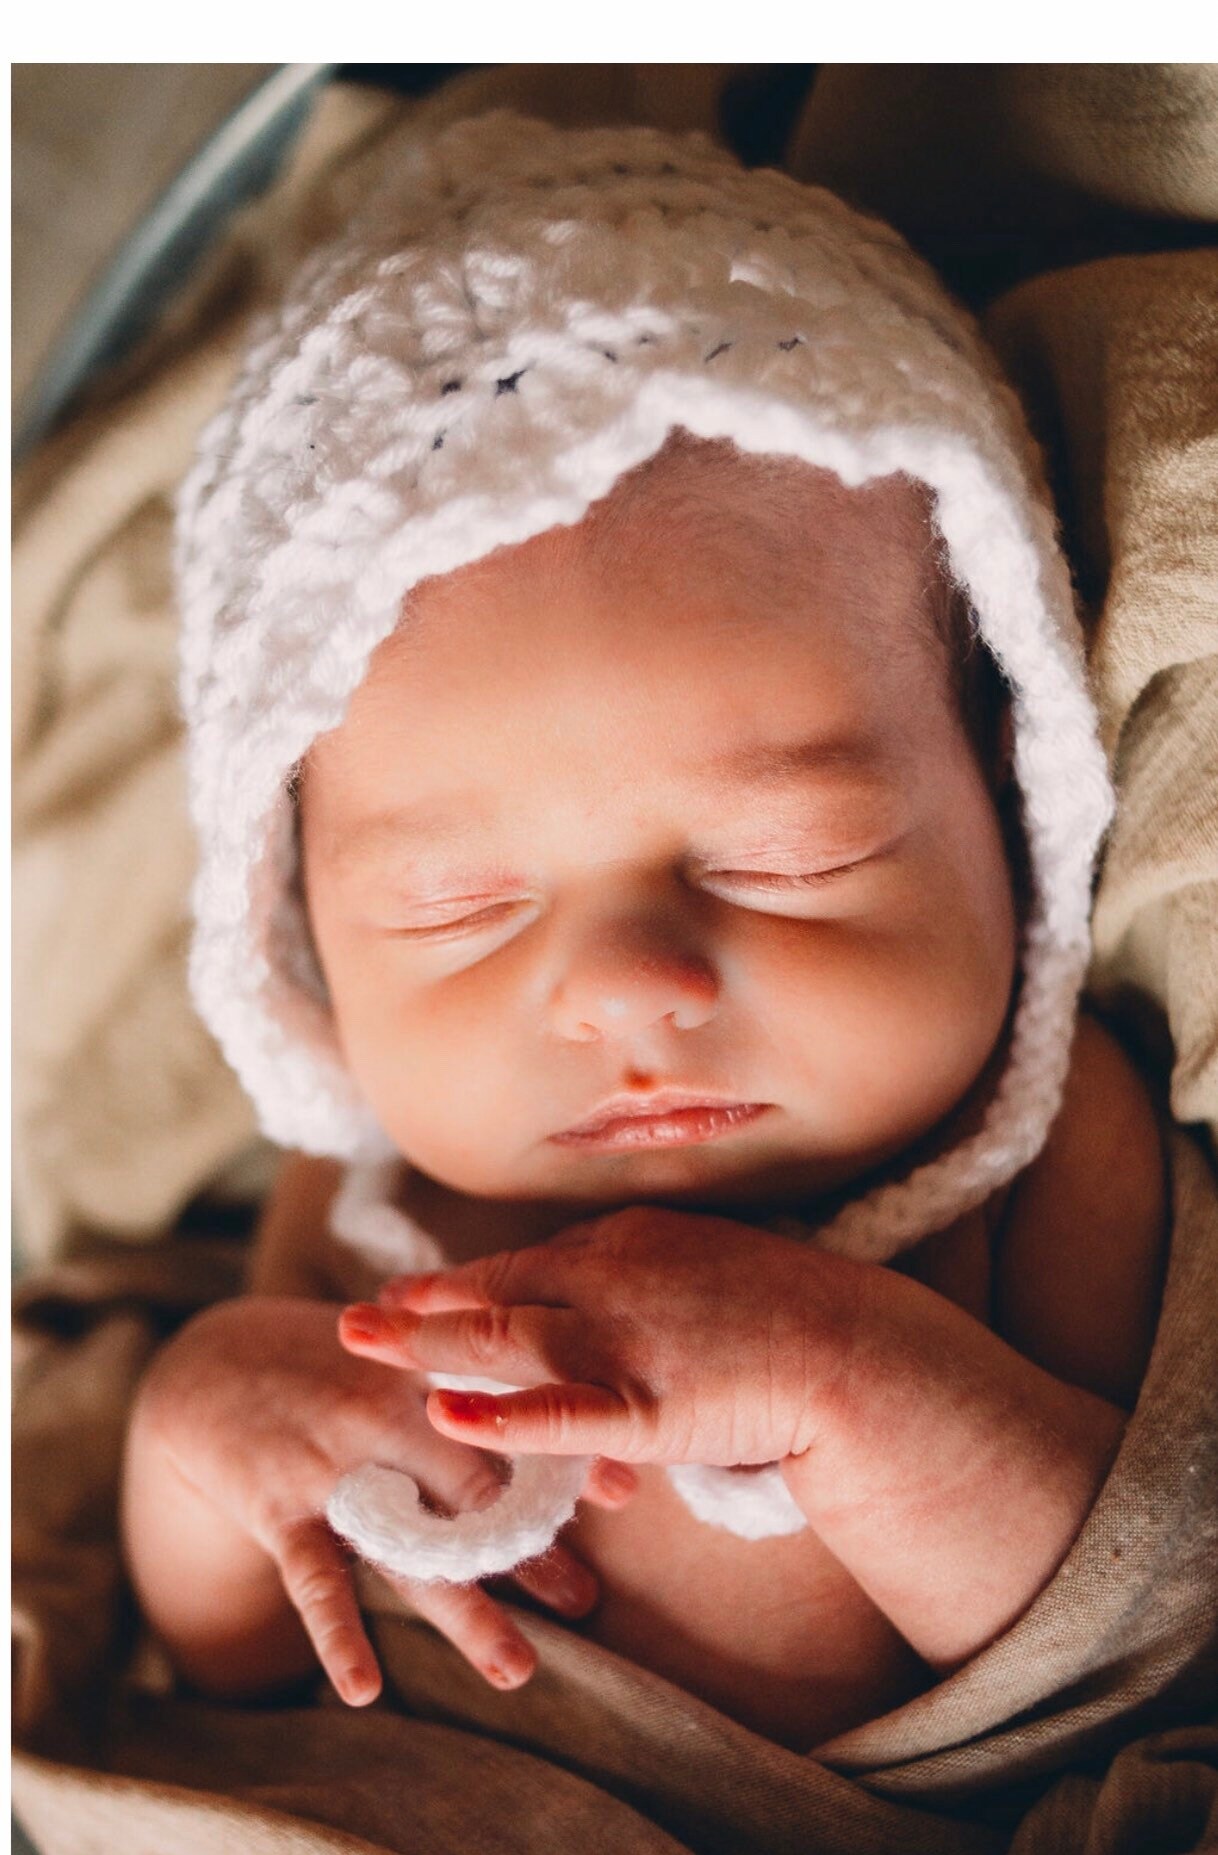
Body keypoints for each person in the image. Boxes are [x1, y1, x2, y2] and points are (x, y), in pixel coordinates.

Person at [120, 111, 1167, 1755]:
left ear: (1008, 792)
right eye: (454, 907)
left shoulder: (1035, 1157)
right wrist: (203, 1439)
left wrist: (841, 1375)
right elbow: (237, 1672)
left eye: (780, 855)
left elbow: (1129, 1637)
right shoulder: (372, 1209)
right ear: (303, 930)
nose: (625, 988)